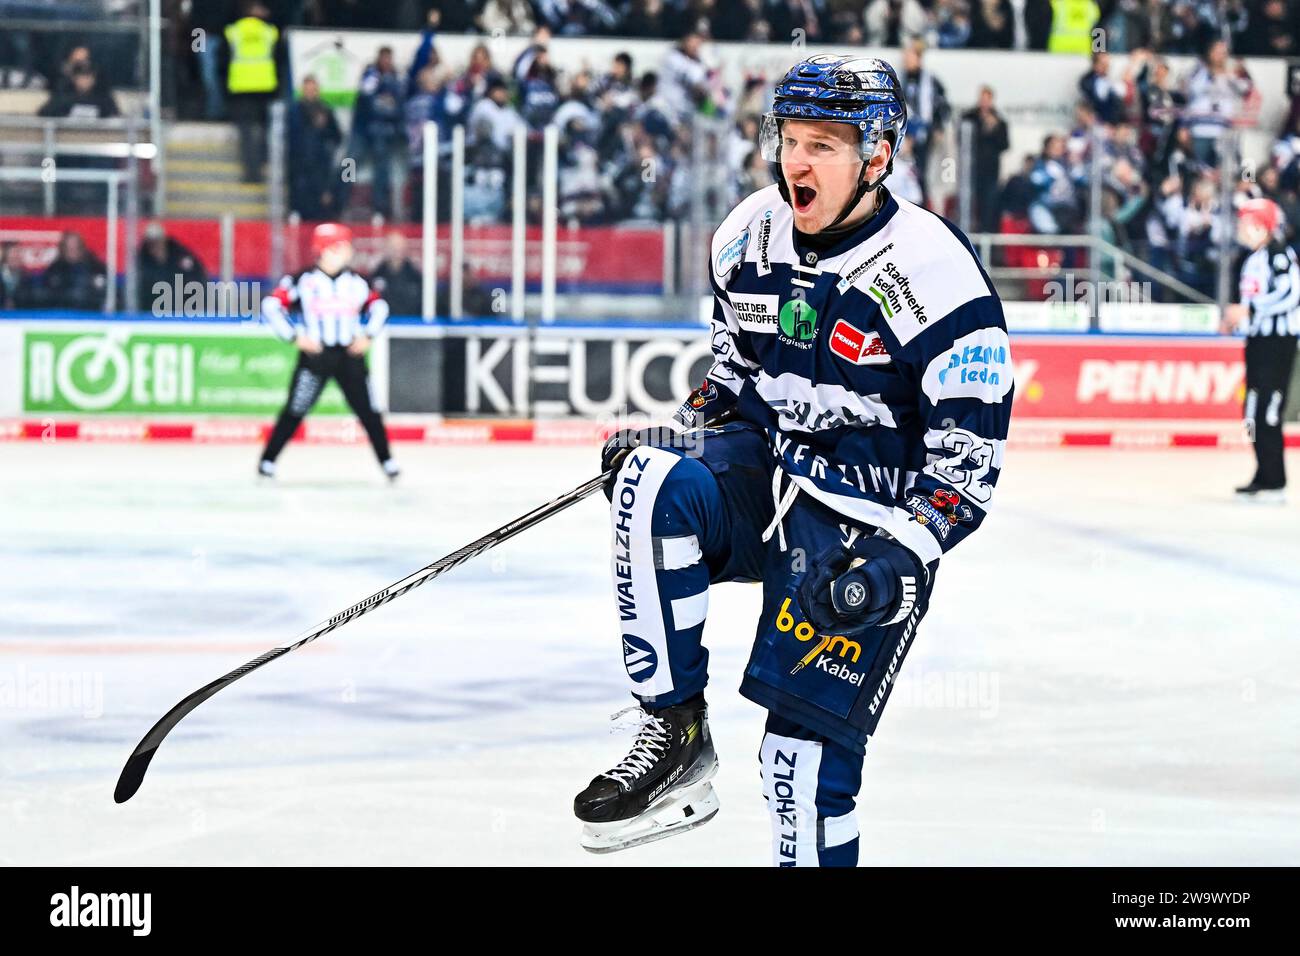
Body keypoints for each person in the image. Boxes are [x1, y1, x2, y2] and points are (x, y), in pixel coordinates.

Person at [572, 55, 1012, 865]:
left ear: (876, 156)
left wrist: (897, 562)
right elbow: (732, 387)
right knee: (649, 479)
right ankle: (675, 730)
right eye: (788, 140)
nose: (795, 163)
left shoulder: (939, 275)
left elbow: (965, 472)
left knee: (801, 767)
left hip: (863, 524)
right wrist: (683, 432)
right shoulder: (748, 234)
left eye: (823, 145)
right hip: (768, 479)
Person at [257, 223, 400, 482]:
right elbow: (271, 306)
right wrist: (293, 336)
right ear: (328, 249)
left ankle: (387, 462)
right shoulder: (303, 280)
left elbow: (380, 308)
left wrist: (368, 335)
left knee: (370, 412)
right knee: (295, 409)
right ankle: (268, 461)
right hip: (316, 358)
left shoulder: (357, 282)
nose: (350, 251)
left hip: (350, 356)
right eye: (344, 246)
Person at [1221, 198, 1300, 502]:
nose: (1240, 228)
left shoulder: (1279, 255)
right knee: (1252, 410)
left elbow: (1291, 293)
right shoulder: (1252, 258)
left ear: (1260, 225)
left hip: (1277, 343)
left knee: (1268, 409)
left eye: (1245, 222)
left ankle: (1274, 480)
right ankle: (1263, 473)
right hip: (1257, 342)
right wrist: (1236, 322)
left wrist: (1250, 311)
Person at [222, 1, 280, 183]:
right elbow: (279, 58)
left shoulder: (233, 31)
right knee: (264, 130)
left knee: (246, 132)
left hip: (241, 88)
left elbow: (223, 61)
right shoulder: (270, 32)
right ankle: (264, 163)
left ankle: (251, 172)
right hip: (265, 87)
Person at [136, 222, 208, 313]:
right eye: (151, 243)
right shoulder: (142, 262)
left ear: (164, 240)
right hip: (152, 312)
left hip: (185, 311)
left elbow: (197, 280)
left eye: (157, 241)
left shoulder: (182, 257)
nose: (155, 246)